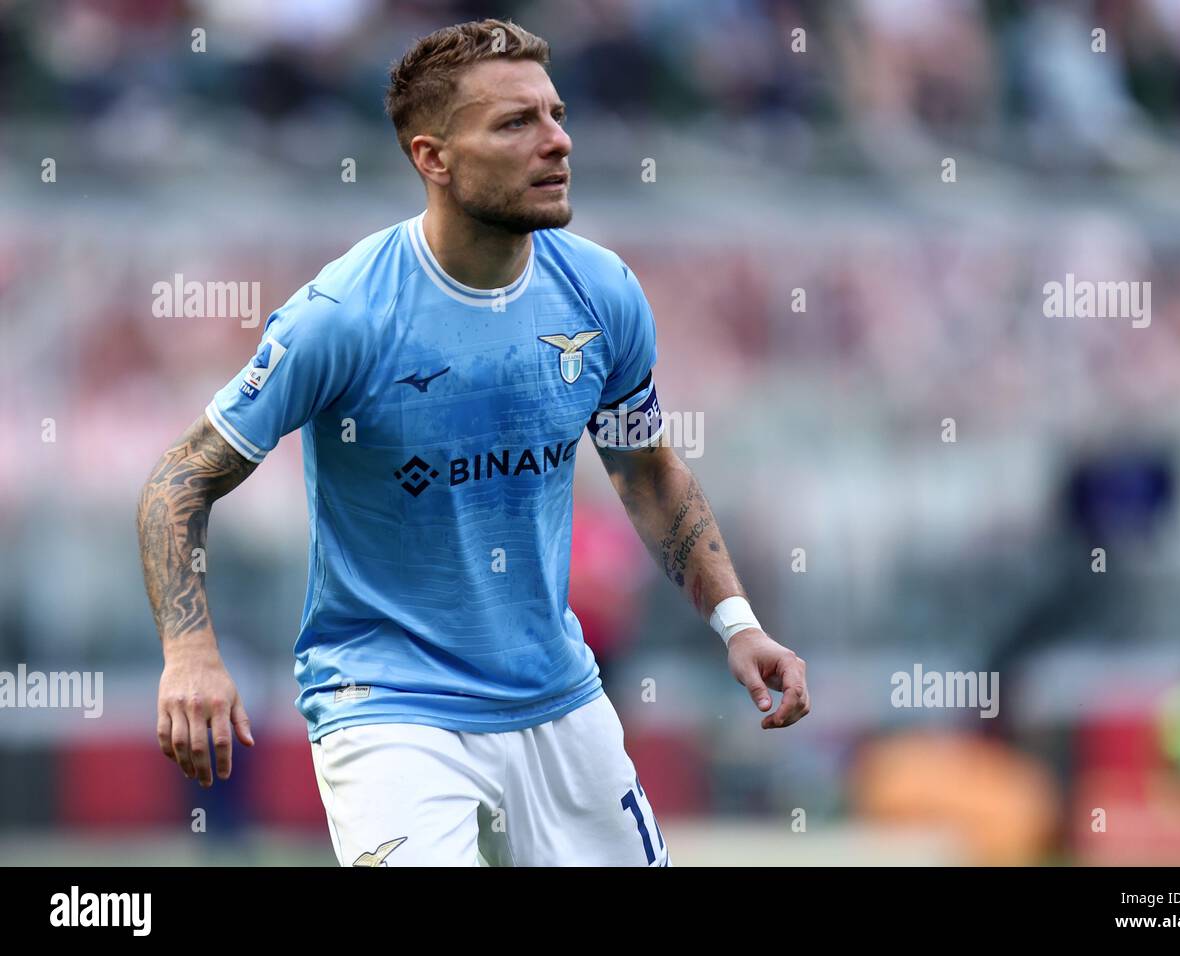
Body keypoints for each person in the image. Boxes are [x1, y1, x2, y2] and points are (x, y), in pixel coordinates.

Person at [136, 18, 810, 867]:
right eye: (515, 123)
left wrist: (737, 622)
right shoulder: (342, 319)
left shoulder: (602, 291)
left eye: (557, 114)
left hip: (557, 694)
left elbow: (647, 470)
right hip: (387, 706)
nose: (558, 141)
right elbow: (178, 480)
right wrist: (190, 653)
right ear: (433, 158)